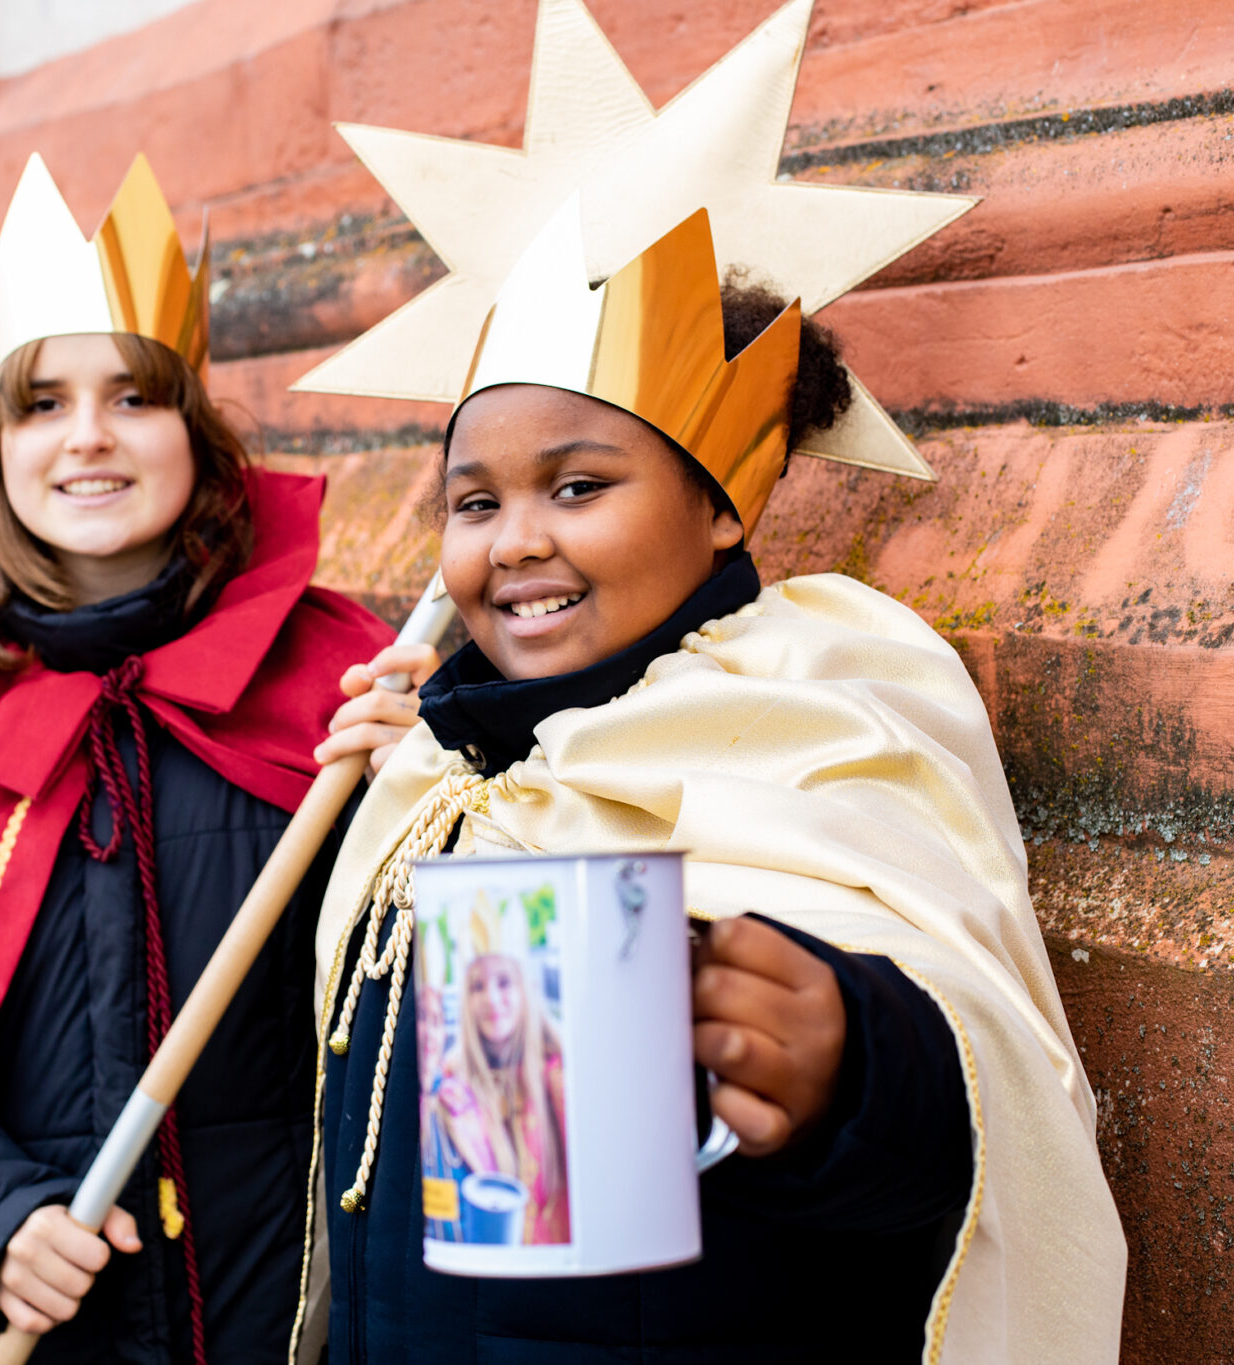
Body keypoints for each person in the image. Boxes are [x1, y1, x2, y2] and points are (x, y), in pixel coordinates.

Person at [304, 205, 1126, 1363]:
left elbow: (964, 1086)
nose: (515, 541)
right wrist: (423, 765)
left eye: (577, 487)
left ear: (723, 500)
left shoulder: (804, 720)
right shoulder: (444, 785)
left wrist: (849, 1066)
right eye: (475, 503)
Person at [0, 153, 394, 1365]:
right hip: (66, 1327)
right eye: (43, 404)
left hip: (299, 1314)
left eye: (134, 398)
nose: (88, 438)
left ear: (193, 429)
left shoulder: (338, 677)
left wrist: (420, 799)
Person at [427, 897, 568, 1244]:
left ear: (525, 989)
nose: (491, 998)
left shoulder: (560, 1072)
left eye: (503, 982)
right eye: (477, 986)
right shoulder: (452, 1088)